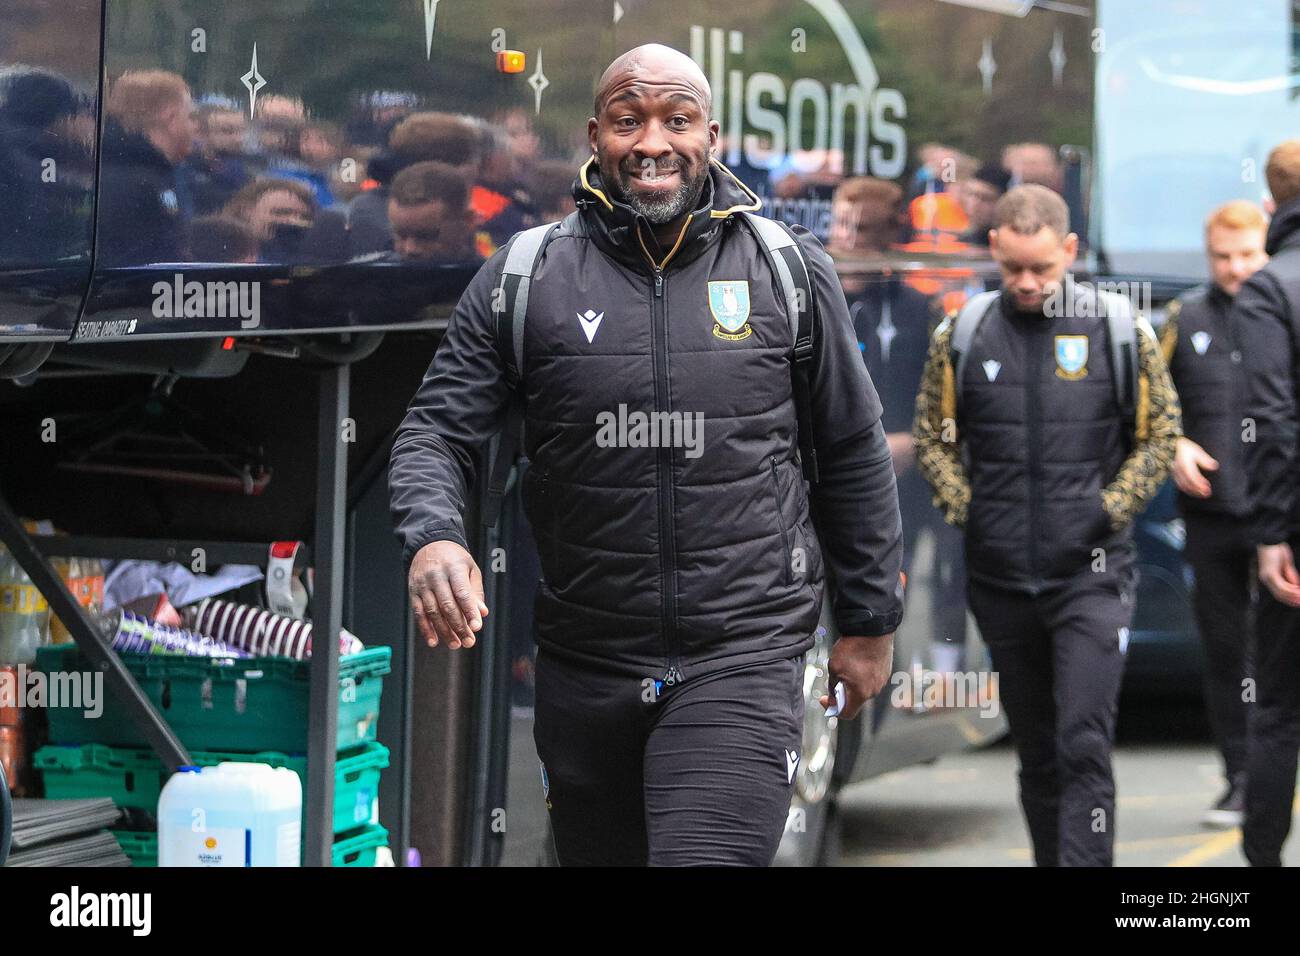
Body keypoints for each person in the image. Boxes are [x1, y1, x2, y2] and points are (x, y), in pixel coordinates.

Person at [389, 43, 904, 866]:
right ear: (597, 136)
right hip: (586, 662)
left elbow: (849, 446)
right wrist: (435, 535)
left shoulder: (787, 270)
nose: (653, 142)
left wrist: (871, 620)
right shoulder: (523, 277)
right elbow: (436, 432)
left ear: (712, 135)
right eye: (629, 121)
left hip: (743, 650)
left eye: (677, 119)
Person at [913, 184, 1180, 866]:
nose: (1028, 284)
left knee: (1082, 743)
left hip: (1091, 577)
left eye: (1043, 269)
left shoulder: (1119, 330)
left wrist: (1107, 512)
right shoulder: (963, 334)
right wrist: (973, 512)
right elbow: (934, 439)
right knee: (1037, 752)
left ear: (1069, 251)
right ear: (994, 249)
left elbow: (1160, 435)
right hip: (1000, 579)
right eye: (1013, 270)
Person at [1159, 199, 1269, 828]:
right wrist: (1173, 443)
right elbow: (1150, 400)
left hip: (1283, 510)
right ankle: (1242, 778)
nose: (1234, 269)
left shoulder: (1286, 309)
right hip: (1212, 515)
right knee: (1228, 653)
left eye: (1247, 255)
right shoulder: (1186, 315)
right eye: (1223, 257)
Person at [1235, 139, 1300, 866]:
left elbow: (1273, 421)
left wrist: (1274, 531)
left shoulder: (1269, 288)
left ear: (1269, 206)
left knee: (1279, 705)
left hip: (1298, 521)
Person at [97, 70, 198, 266]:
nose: (195, 127)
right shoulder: (135, 182)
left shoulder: (148, 171)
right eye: (190, 117)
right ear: (170, 117)